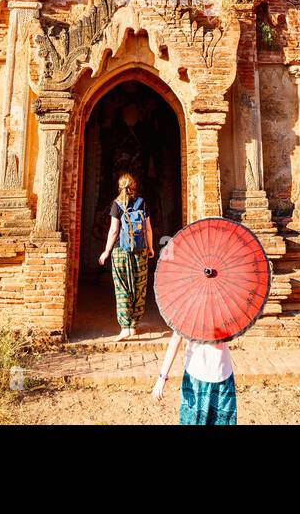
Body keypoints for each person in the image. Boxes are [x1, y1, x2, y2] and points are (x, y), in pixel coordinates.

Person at [98, 172, 154, 340]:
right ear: (134, 187)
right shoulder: (141, 203)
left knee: (122, 288)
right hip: (140, 250)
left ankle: (125, 327)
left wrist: (106, 251)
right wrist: (150, 248)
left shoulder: (116, 204)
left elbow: (114, 230)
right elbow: (148, 228)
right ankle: (134, 326)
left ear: (120, 187)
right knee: (139, 287)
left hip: (120, 251)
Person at [151, 330, 237, 425]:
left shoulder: (187, 315)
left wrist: (162, 377)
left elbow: (176, 339)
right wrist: (162, 377)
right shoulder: (224, 315)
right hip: (219, 373)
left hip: (203, 375)